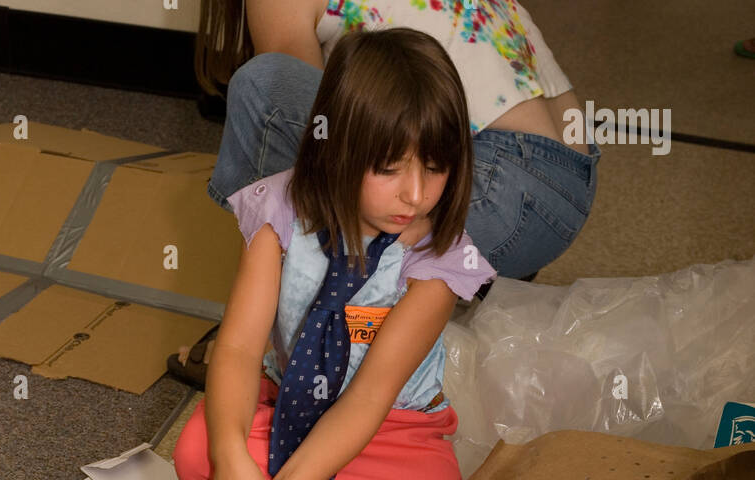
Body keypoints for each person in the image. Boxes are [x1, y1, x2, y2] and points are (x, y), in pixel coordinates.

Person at [174, 28, 495, 480]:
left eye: (436, 167)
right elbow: (236, 350)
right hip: (284, 400)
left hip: (393, 427)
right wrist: (232, 456)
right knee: (198, 455)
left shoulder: (439, 262)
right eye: (389, 169)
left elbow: (370, 398)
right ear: (337, 147)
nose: (415, 194)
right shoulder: (277, 212)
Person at [172, 0, 598, 385]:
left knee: (264, 83)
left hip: (490, 190)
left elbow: (323, 136)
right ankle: (442, 270)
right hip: (569, 189)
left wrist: (248, 322)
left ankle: (274, 330)